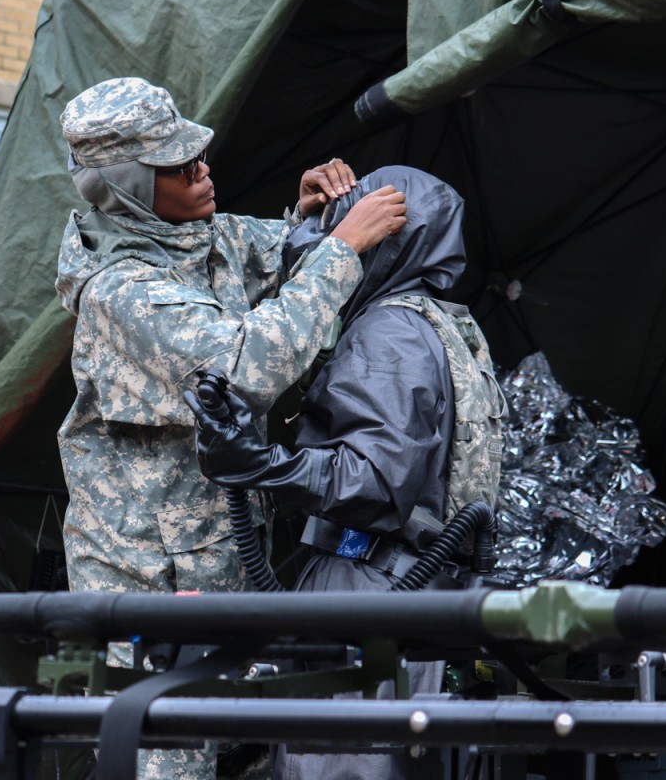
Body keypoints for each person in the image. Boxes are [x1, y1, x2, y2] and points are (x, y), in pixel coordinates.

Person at [54, 77, 407, 779]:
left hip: (222, 571)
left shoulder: (190, 234)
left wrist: (308, 221)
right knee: (167, 761)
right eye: (182, 168)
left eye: (200, 158)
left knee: (241, 755)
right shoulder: (120, 290)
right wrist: (343, 246)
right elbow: (246, 363)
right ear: (129, 187)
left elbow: (264, 249)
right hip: (148, 589)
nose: (203, 173)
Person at [184, 165, 506, 780]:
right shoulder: (444, 326)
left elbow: (377, 482)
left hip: (363, 589)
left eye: (355, 229)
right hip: (412, 598)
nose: (338, 242)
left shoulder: (387, 331)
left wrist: (258, 464)